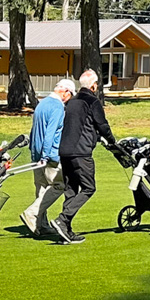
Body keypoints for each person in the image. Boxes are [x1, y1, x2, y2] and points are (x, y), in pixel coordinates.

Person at [47, 69, 116, 244]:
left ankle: (65, 231)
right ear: (93, 85)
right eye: (97, 84)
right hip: (81, 152)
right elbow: (102, 124)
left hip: (65, 151)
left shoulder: (71, 101)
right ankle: (62, 220)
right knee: (88, 188)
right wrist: (112, 140)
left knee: (71, 190)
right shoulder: (92, 101)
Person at [19, 78, 75, 237]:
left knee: (42, 189)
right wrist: (46, 156)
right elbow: (50, 133)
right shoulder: (57, 107)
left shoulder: (41, 104)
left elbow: (35, 129)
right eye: (70, 95)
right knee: (59, 185)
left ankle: (40, 224)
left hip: (36, 153)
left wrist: (36, 153)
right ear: (65, 92)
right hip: (49, 154)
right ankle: (32, 214)